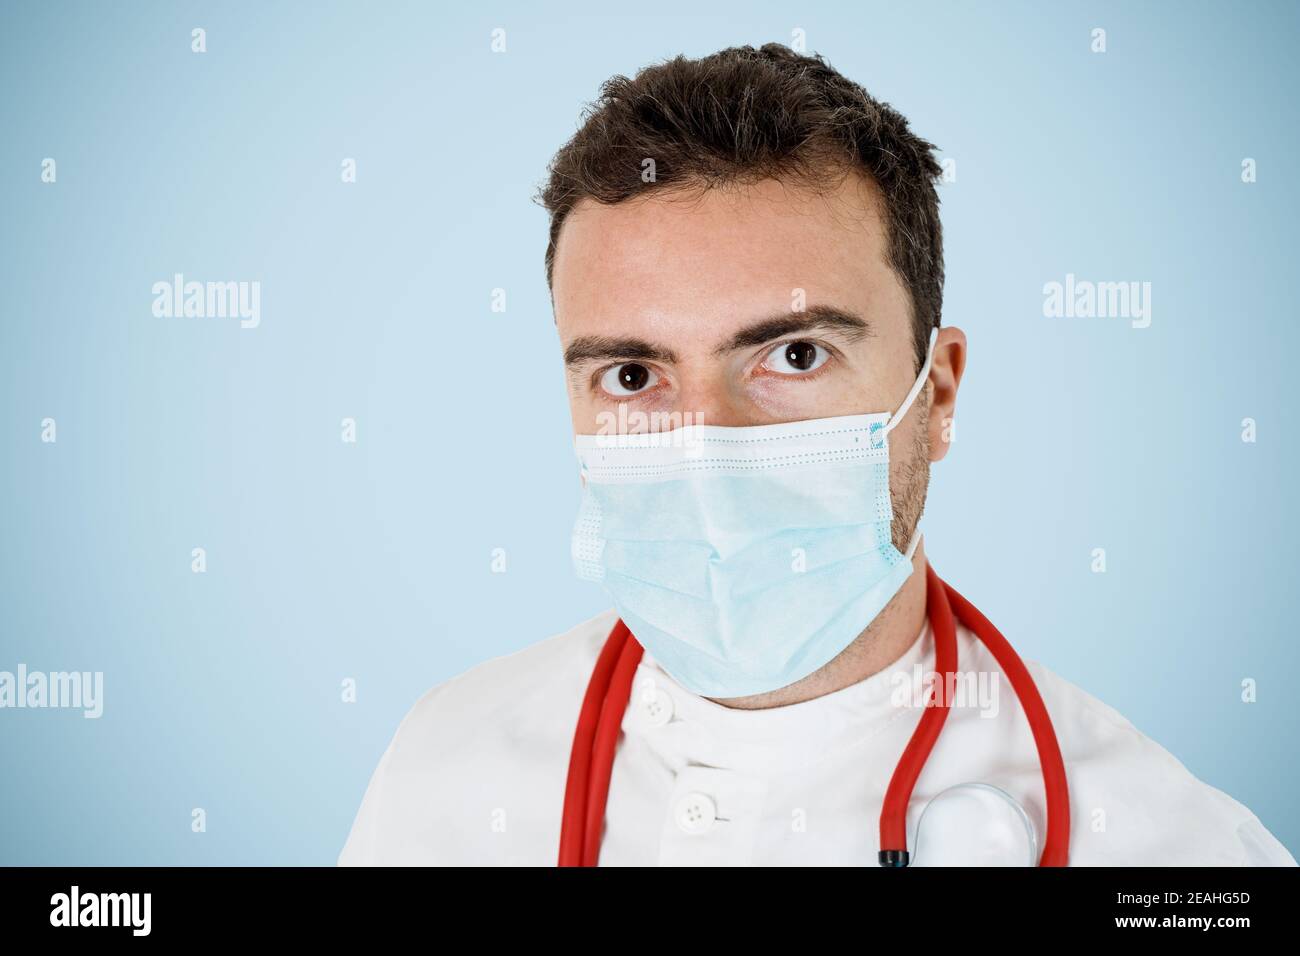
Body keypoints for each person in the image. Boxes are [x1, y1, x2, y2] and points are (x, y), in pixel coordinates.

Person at [338, 44, 1294, 866]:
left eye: (794, 355)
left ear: (941, 391)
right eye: (633, 374)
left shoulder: (1171, 853)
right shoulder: (441, 772)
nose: (706, 447)